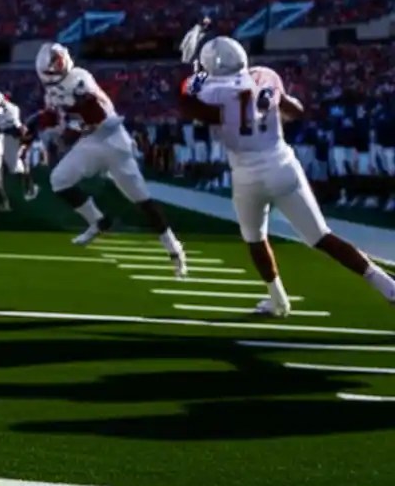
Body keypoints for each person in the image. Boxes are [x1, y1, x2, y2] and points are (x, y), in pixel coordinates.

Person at [179, 37, 395, 316]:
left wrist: (190, 74)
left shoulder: (211, 88)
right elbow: (295, 110)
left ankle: (278, 300)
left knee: (255, 239)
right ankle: (387, 285)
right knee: (322, 237)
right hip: (282, 165)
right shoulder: (267, 75)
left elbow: (191, 106)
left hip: (247, 175)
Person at [34, 42, 189, 278]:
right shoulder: (55, 87)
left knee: (142, 200)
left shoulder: (78, 78)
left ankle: (174, 248)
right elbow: (58, 115)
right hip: (91, 142)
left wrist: (71, 124)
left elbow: (94, 112)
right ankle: (98, 221)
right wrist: (50, 122)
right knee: (59, 180)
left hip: (113, 140)